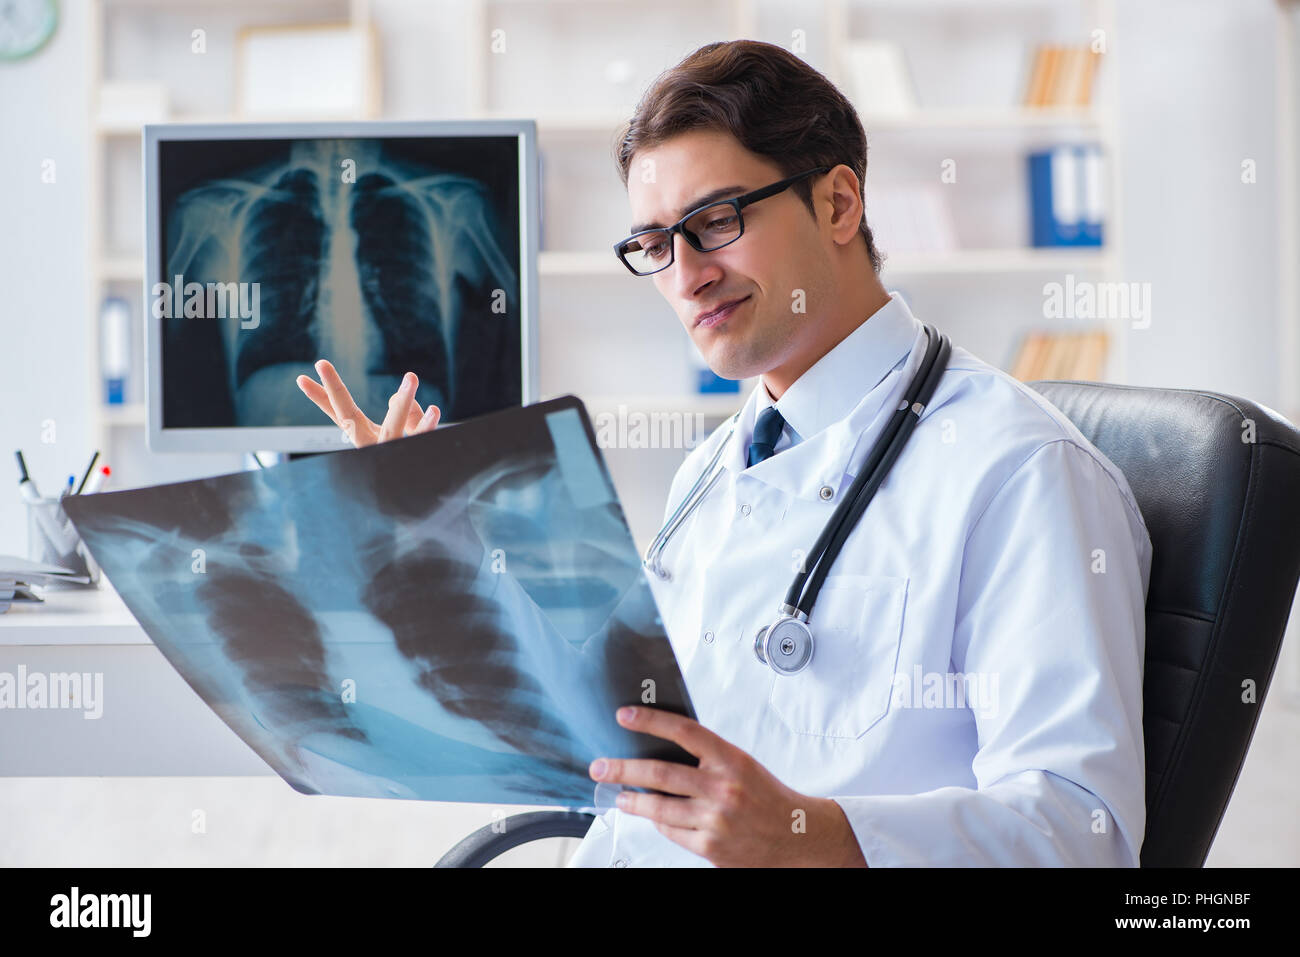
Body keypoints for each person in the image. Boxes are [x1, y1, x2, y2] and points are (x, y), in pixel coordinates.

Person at [297, 38, 1152, 868]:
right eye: (655, 244)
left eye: (715, 221)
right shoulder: (709, 467)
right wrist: (427, 521)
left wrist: (810, 838)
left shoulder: (1021, 471)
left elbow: (1084, 832)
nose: (686, 274)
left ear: (839, 203)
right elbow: (625, 718)